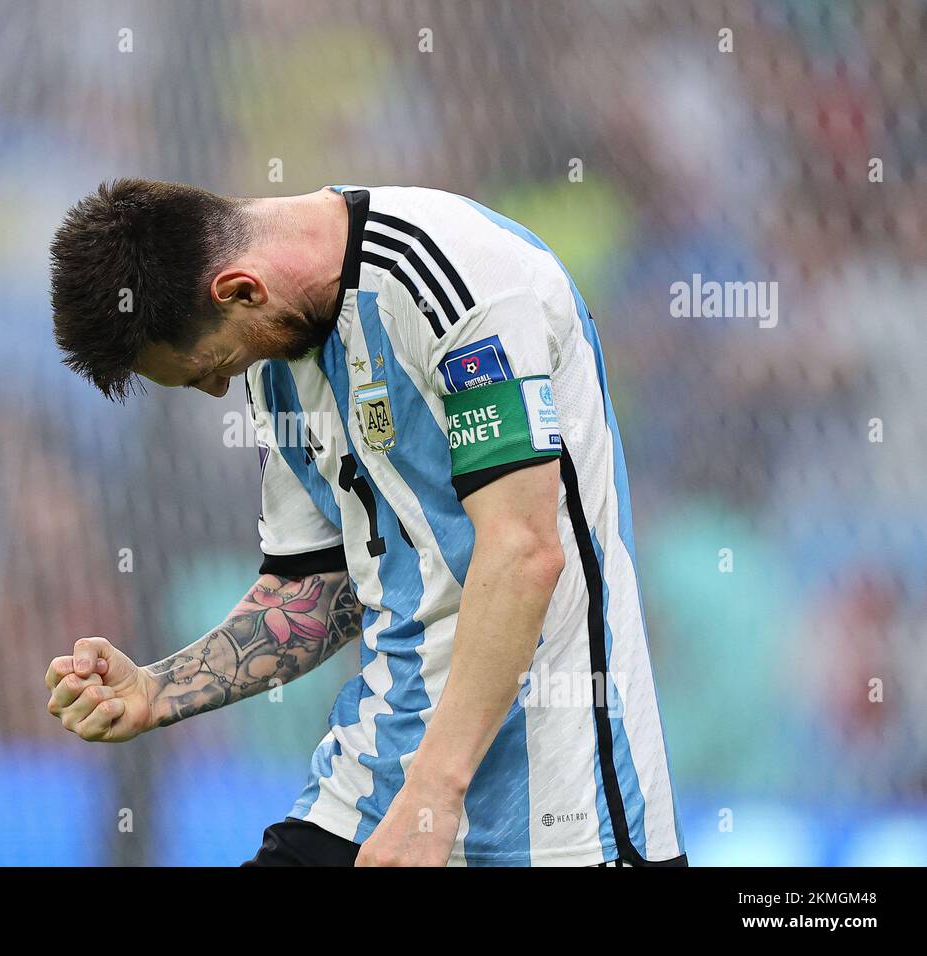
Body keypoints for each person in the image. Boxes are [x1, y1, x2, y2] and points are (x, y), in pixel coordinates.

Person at [45, 179, 686, 867]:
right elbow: (318, 586)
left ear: (239, 290)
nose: (219, 389)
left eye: (208, 367)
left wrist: (435, 796)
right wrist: (156, 689)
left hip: (561, 819)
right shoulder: (274, 358)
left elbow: (524, 551)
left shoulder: (465, 281)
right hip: (376, 792)